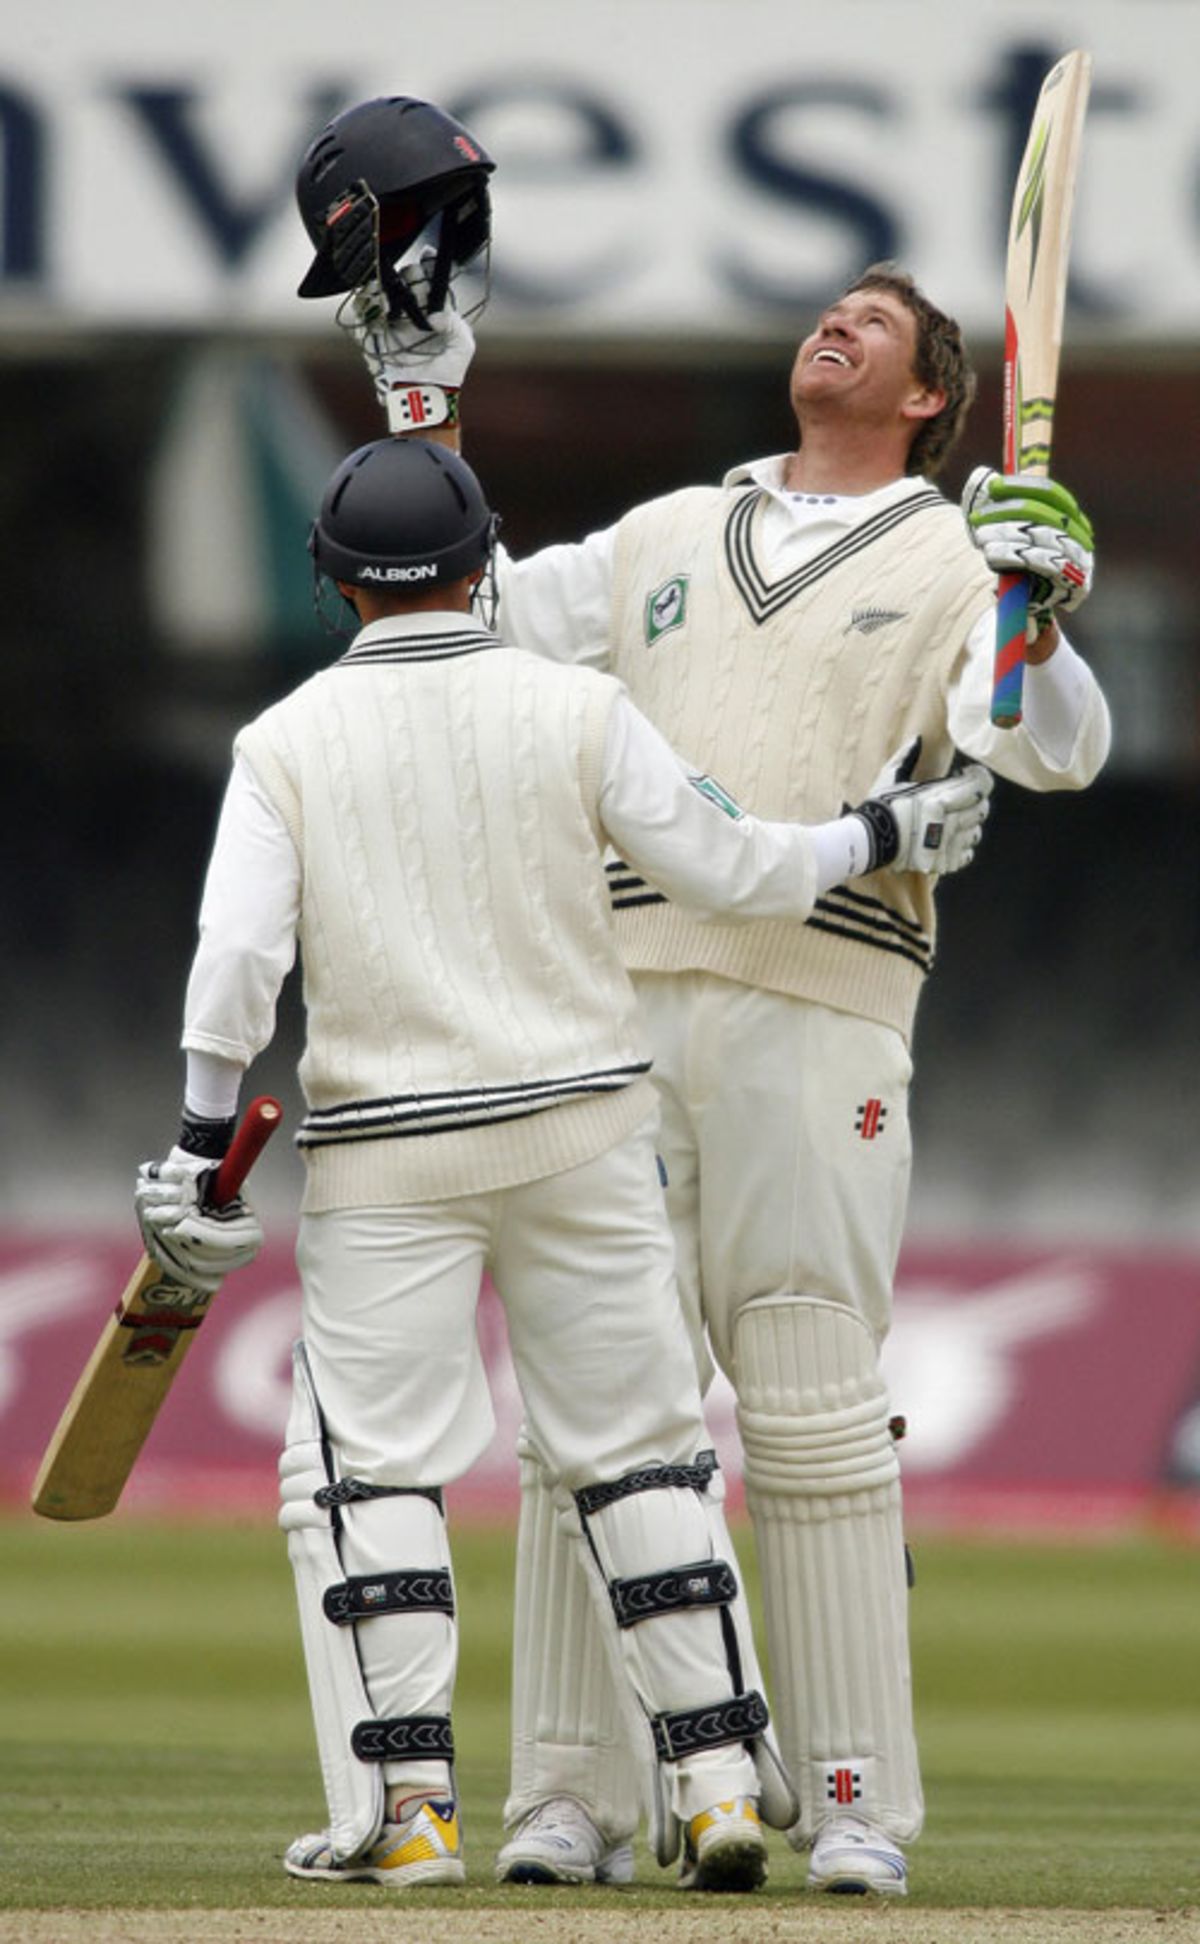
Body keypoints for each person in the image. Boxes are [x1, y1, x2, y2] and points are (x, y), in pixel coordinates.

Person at [322, 216, 1112, 1897]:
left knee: (813, 1398)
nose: (834, 328)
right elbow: (461, 616)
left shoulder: (960, 556)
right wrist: (424, 414)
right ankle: (569, 1799)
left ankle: (851, 1806)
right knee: (591, 1416)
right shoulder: (676, 529)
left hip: (822, 1006)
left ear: (930, 399)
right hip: (612, 1001)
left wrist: (1040, 599)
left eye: (872, 324)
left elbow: (1042, 745)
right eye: (827, 310)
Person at [131, 434, 993, 1895]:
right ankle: (718, 1788)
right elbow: (734, 870)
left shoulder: (280, 743)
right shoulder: (576, 706)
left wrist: (206, 1150)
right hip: (589, 1132)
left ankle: (411, 1814)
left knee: (368, 1472)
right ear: (487, 564)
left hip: (389, 1153)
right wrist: (882, 828)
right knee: (642, 1452)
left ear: (333, 585)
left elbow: (235, 969)